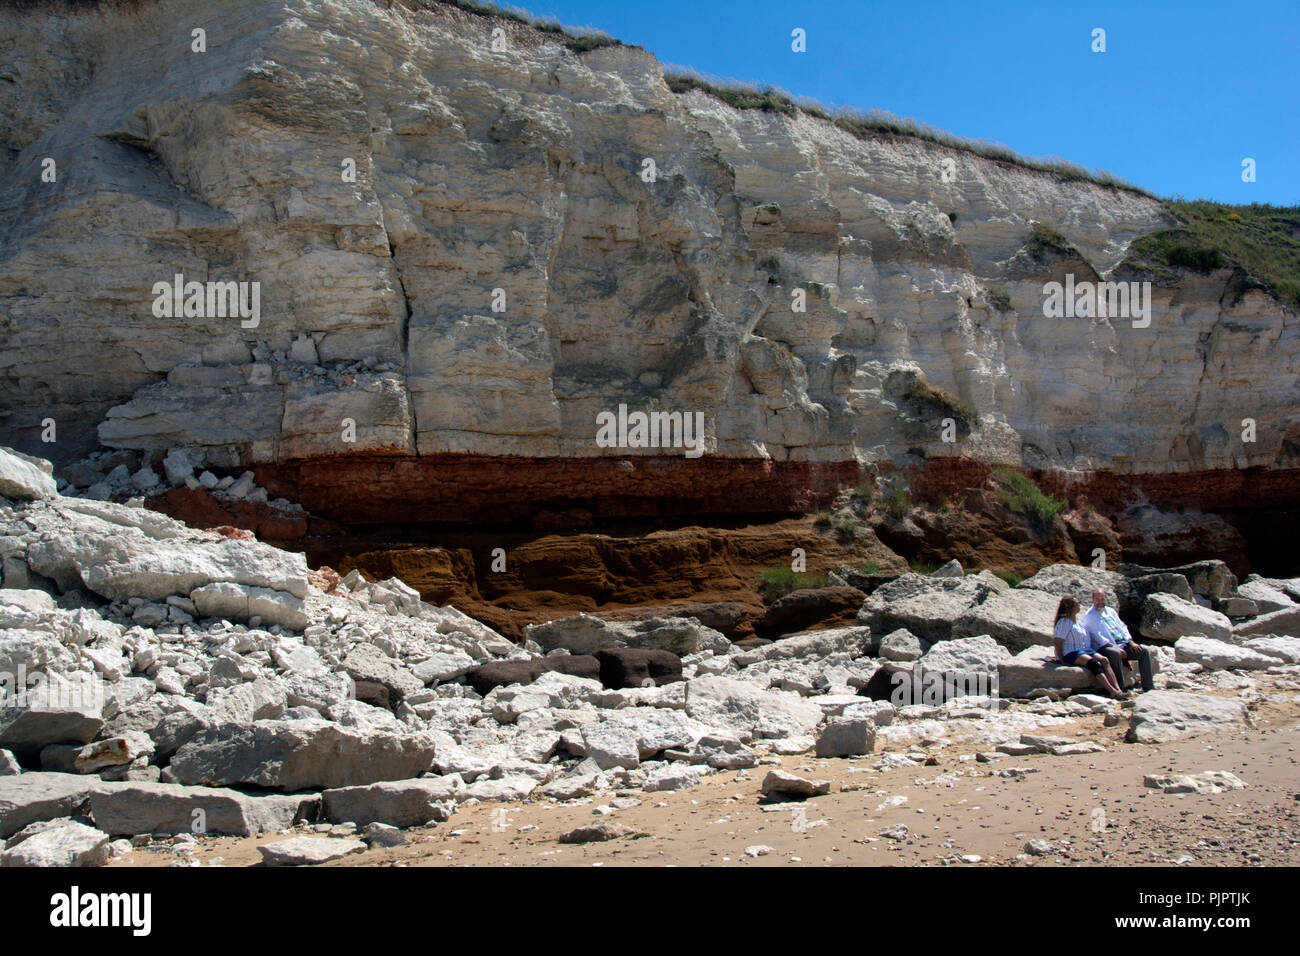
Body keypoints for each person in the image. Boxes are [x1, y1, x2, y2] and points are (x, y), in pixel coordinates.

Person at [1083, 589, 1154, 693]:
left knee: (1143, 651)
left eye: (1102, 599)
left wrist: (1130, 642)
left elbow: (1122, 627)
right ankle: (1120, 688)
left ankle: (1148, 686)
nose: (1100, 601)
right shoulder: (1090, 615)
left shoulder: (1110, 611)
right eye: (1097, 599)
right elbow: (1099, 637)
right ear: (1093, 600)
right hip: (1105, 647)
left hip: (1122, 643)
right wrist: (1116, 647)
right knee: (1115, 654)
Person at [1053, 596, 1125, 698]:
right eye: (1077, 603)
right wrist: (1061, 660)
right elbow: (1058, 642)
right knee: (1094, 664)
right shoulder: (1064, 622)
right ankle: (1112, 691)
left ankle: (1118, 689)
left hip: (1085, 649)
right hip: (1071, 651)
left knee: (1104, 660)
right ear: (1071, 606)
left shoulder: (1078, 621)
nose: (1079, 605)